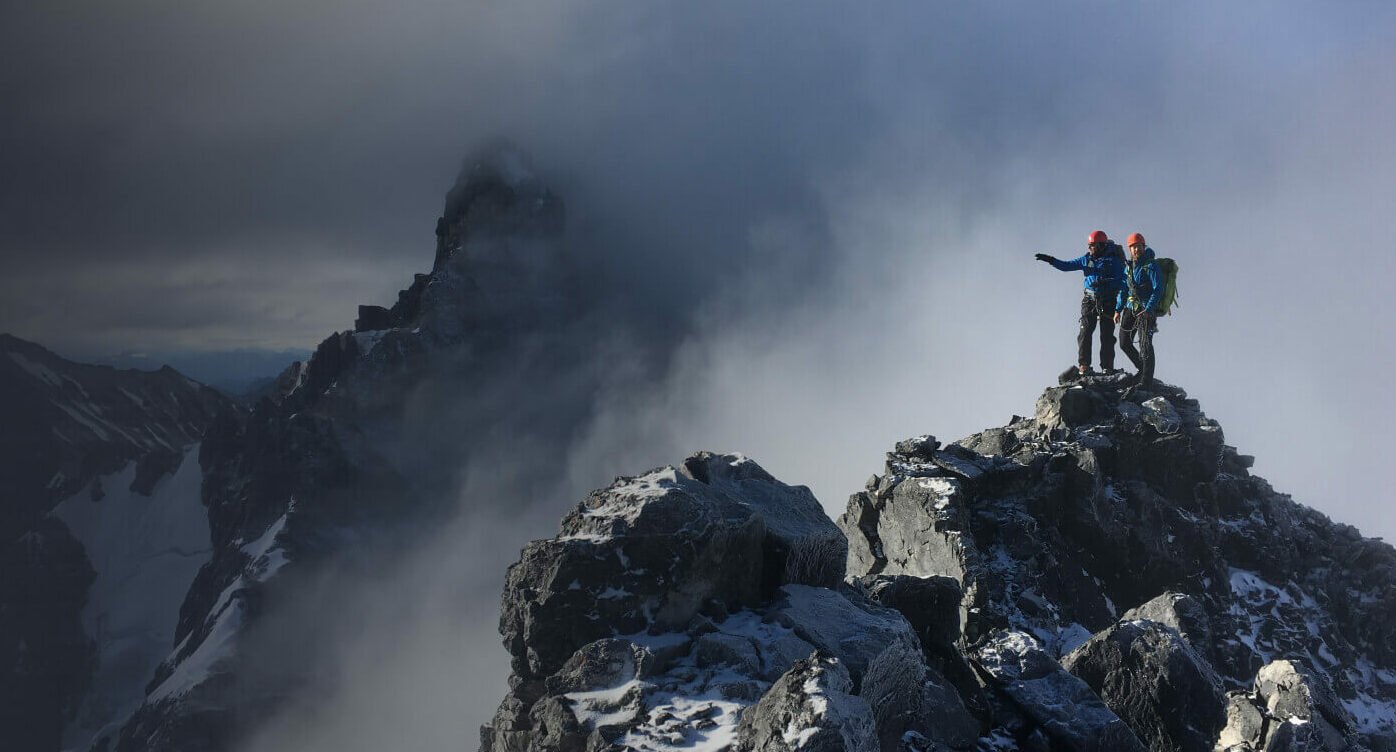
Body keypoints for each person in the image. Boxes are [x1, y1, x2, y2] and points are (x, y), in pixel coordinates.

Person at [1035, 230, 1126, 376]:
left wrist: (1105, 281)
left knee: (1107, 335)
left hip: (1108, 301)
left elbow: (1122, 279)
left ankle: (1107, 367)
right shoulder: (1086, 259)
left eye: (1093, 245)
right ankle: (1084, 365)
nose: (1090, 249)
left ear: (1102, 245)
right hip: (1089, 300)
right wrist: (1051, 260)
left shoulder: (1113, 261)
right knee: (1085, 332)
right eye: (1089, 245)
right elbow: (1067, 266)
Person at [1114, 232, 1162, 389]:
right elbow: (1124, 289)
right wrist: (1118, 309)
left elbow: (1158, 289)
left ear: (1143, 246)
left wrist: (1149, 309)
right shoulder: (1128, 267)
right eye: (1133, 247)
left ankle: (1146, 381)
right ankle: (1142, 369)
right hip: (1131, 307)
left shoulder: (1151, 265)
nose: (1136, 250)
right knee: (1124, 342)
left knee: (1145, 344)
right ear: (1130, 249)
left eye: (1139, 246)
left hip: (1146, 309)